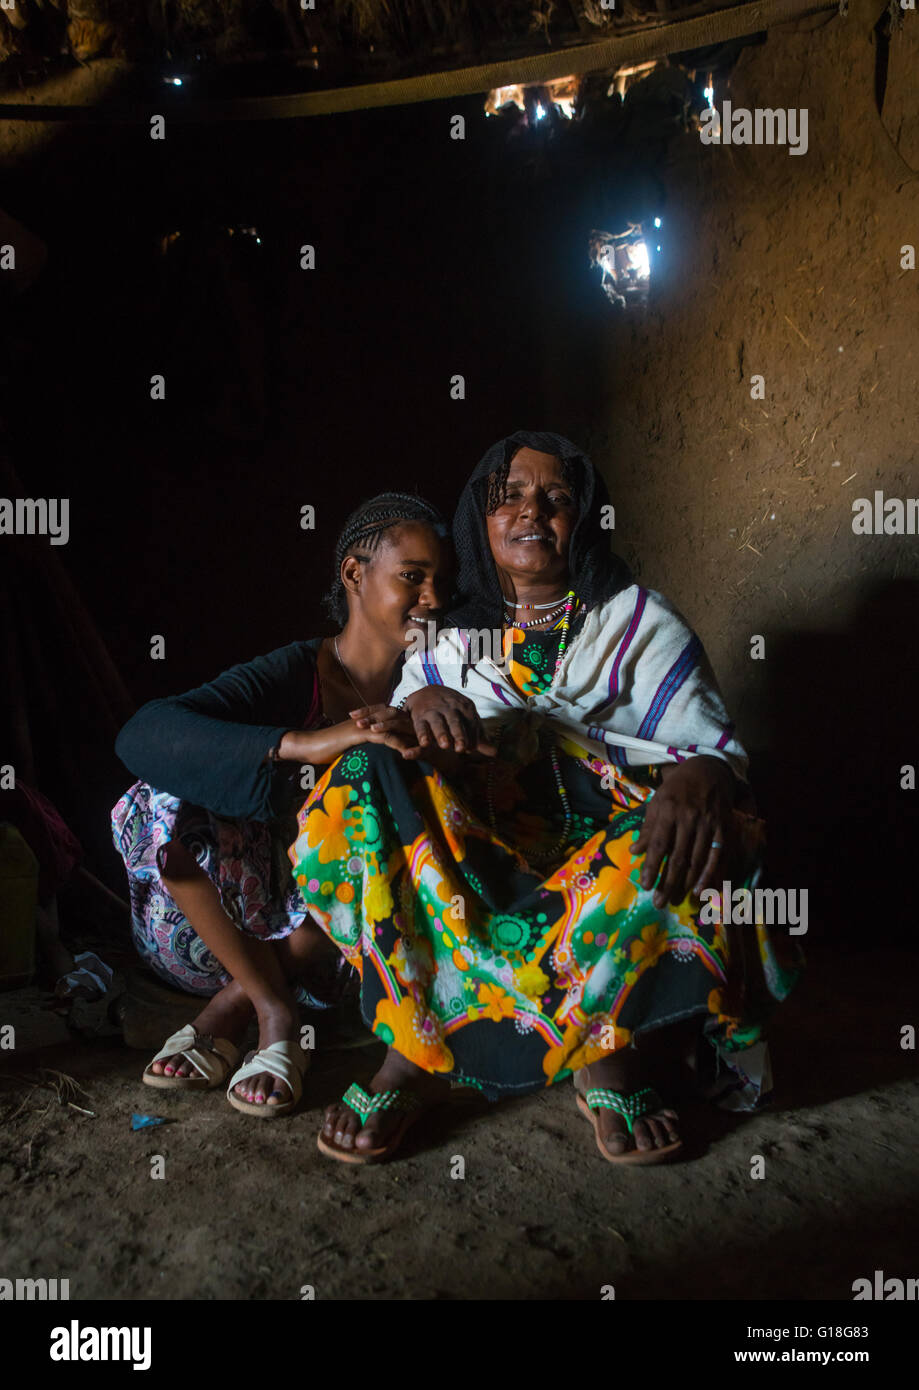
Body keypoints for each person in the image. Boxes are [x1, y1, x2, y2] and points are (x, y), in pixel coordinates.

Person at [290, 431, 801, 1163]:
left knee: (713, 831)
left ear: (583, 517)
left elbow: (711, 750)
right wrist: (424, 700)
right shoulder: (440, 639)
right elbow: (395, 738)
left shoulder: (637, 621)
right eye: (510, 497)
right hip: (475, 868)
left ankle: (604, 1052)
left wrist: (700, 776)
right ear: (481, 517)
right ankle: (413, 1052)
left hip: (605, 868)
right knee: (364, 776)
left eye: (557, 498)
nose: (533, 512)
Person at [112, 493, 451, 1116]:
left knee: (378, 797)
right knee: (158, 795)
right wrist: (307, 744)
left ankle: (240, 1003)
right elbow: (142, 734)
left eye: (440, 581)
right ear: (354, 573)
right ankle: (272, 1008)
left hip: (349, 949)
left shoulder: (440, 677)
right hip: (206, 935)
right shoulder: (299, 671)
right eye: (413, 576)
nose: (432, 597)